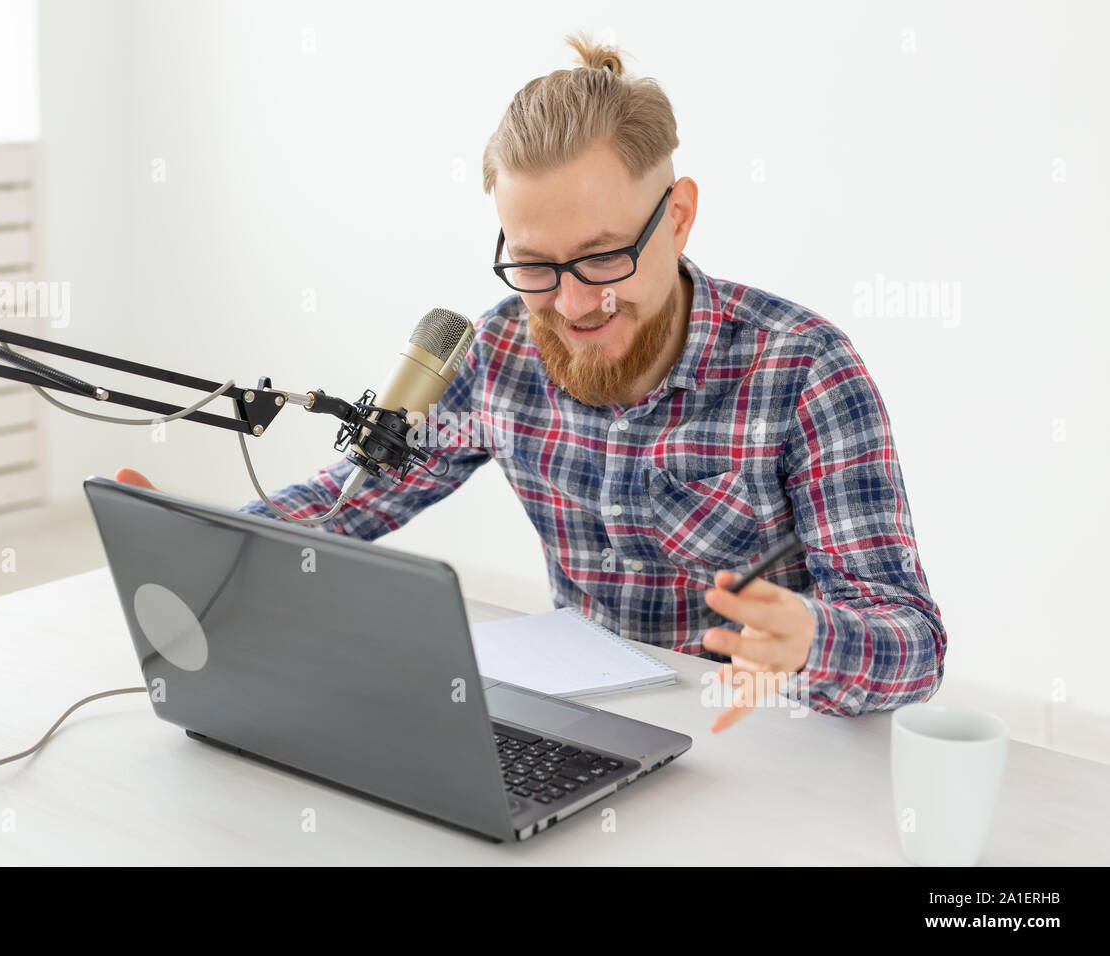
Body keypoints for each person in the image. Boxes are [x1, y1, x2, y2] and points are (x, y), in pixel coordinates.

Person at [118, 33, 946, 733]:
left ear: (681, 215)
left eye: (604, 256)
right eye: (537, 266)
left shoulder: (802, 369)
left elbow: (912, 642)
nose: (576, 303)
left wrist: (811, 639)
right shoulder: (502, 350)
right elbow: (355, 500)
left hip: (766, 741)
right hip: (591, 728)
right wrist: (201, 545)